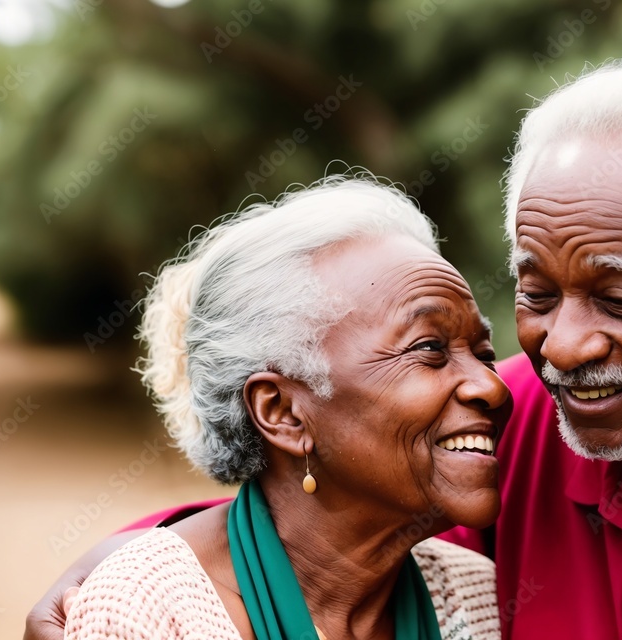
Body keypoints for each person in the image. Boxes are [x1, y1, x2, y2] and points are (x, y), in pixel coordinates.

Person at [27, 57, 622, 640]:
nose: (560, 350)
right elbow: (336, 499)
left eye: (620, 297)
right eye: (534, 294)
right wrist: (135, 569)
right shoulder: (545, 408)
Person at [59, 175, 512, 639]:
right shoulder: (146, 611)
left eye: (484, 354)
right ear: (283, 413)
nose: (492, 388)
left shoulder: (473, 597)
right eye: (429, 348)